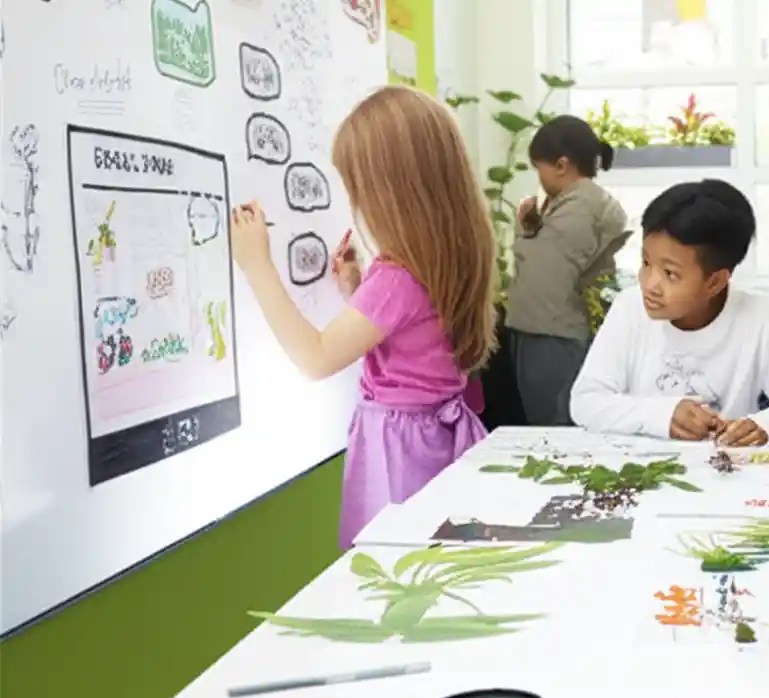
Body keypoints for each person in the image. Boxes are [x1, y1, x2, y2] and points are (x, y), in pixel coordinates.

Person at [230, 86, 497, 548]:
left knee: (391, 568)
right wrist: (356, 291)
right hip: (433, 440)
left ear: (393, 192)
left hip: (398, 452)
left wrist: (257, 264)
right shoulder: (452, 254)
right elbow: (416, 338)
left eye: (358, 186)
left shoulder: (397, 278)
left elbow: (314, 358)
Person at [569, 179, 769, 446]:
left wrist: (764, 425)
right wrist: (662, 416)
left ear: (714, 282)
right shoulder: (629, 309)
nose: (649, 284)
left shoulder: (758, 314)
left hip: (729, 470)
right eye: (646, 262)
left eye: (670, 274)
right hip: (640, 472)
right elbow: (586, 402)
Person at [505, 115, 630, 426]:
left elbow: (543, 265)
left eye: (539, 169)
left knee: (555, 423)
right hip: (545, 331)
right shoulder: (571, 203)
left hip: (553, 334)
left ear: (561, 165)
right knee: (548, 418)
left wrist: (523, 227)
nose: (539, 178)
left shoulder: (582, 206)